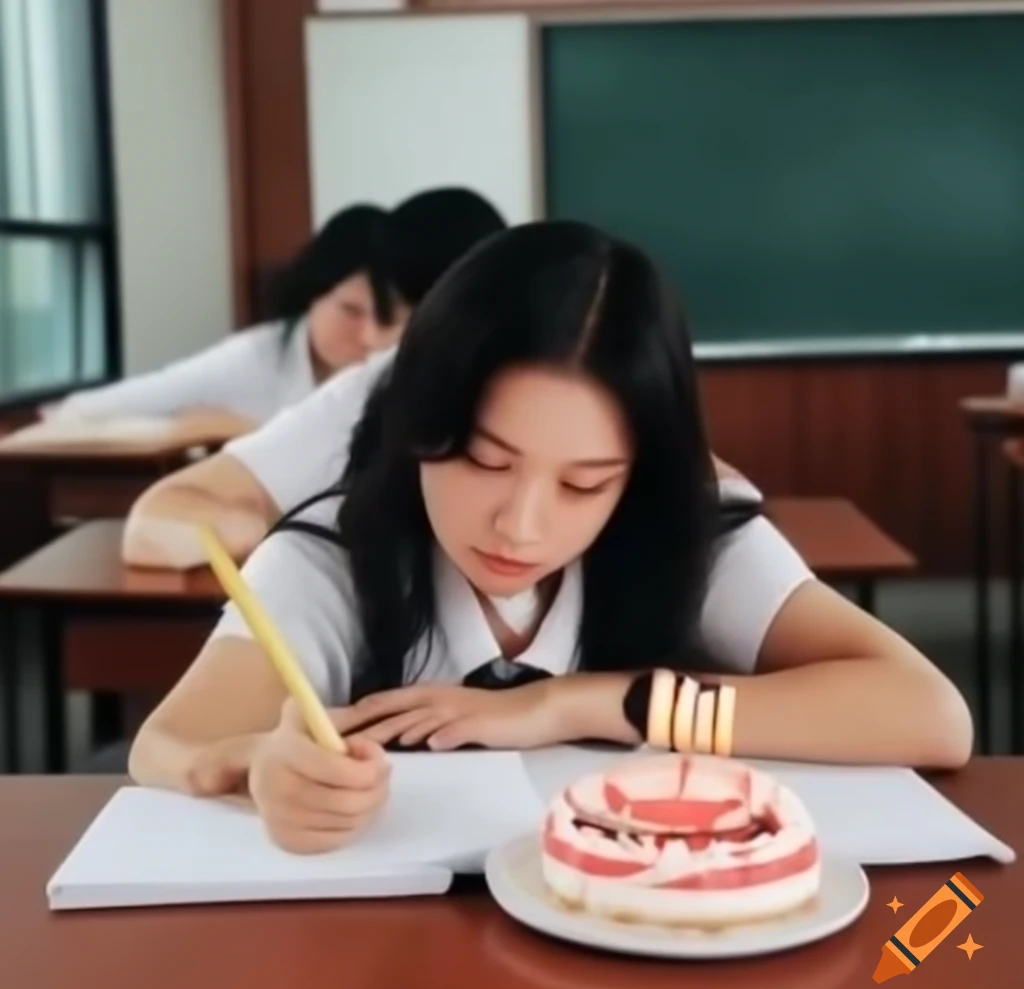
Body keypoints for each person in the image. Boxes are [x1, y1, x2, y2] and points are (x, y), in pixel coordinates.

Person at [128, 222, 972, 853]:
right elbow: (168, 745)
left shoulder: (684, 536)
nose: (521, 526)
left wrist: (575, 704)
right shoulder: (331, 560)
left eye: (584, 483)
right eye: (485, 462)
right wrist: (257, 770)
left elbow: (930, 716)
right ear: (417, 422)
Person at [120, 187, 508, 568]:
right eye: (355, 311)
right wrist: (292, 542)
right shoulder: (375, 385)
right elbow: (163, 512)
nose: (372, 337)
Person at [46, 204, 408, 435]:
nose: (370, 336)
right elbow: (83, 412)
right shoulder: (252, 357)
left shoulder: (397, 362)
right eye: (350, 311)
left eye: (386, 318)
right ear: (313, 292)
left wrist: (250, 427)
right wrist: (192, 428)